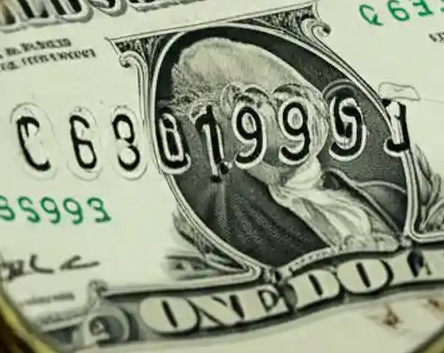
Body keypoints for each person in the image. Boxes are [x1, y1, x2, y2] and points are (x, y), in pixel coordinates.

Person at [164, 36, 408, 269]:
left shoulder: (388, 198)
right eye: (283, 97)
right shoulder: (230, 229)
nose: (314, 102)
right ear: (240, 112)